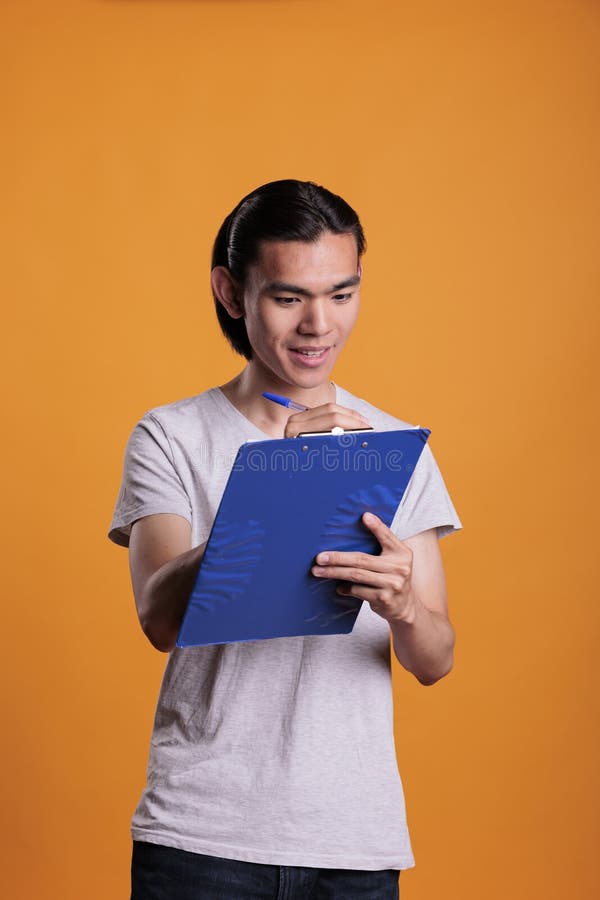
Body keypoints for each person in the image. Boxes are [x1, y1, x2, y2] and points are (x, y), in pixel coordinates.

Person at [108, 179, 463, 900]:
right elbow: (159, 618)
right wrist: (278, 491)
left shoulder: (395, 446)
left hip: (353, 837)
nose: (318, 325)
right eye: (288, 296)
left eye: (341, 293)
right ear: (232, 293)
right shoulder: (171, 436)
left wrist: (402, 609)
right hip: (201, 834)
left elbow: (436, 658)